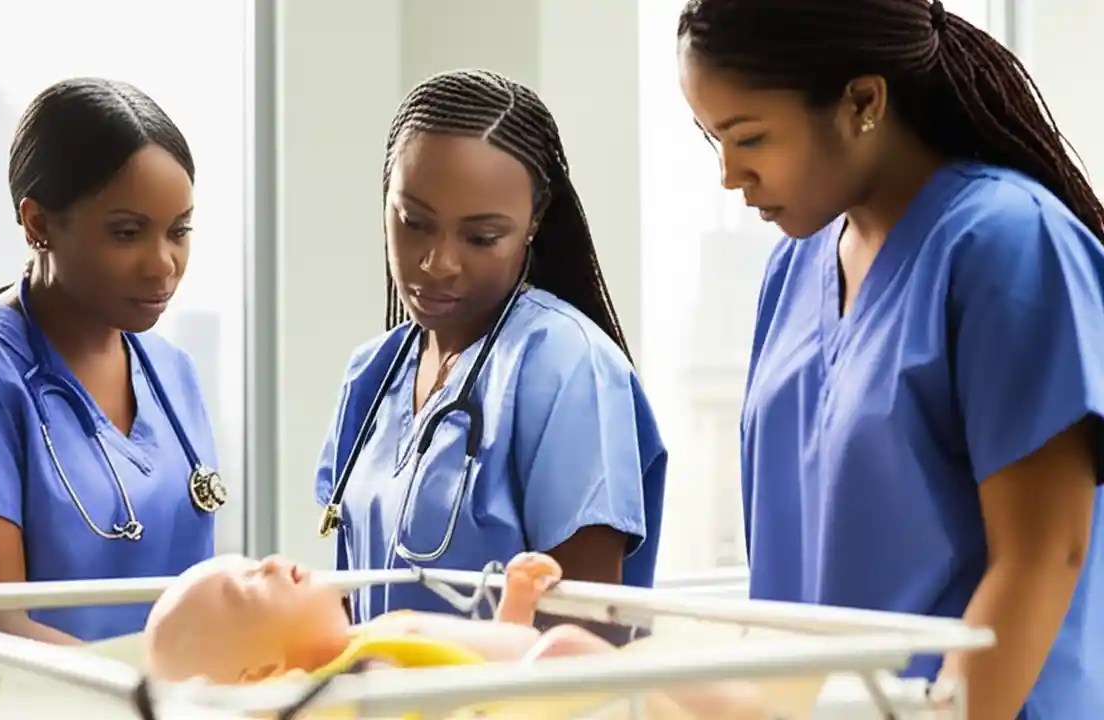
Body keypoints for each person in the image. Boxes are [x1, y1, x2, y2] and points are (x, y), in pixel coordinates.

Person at [676, 1, 1104, 718]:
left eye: (748, 136)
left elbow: (1043, 557)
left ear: (863, 102)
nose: (729, 175)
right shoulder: (790, 274)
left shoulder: (1007, 247)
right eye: (710, 138)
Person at [313, 69, 668, 625]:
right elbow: (349, 599)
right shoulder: (373, 373)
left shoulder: (567, 367)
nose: (437, 263)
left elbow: (583, 641)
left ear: (535, 220)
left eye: (481, 237)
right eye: (413, 222)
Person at [0, 77, 222, 646]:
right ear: (38, 223)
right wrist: (174, 694)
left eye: (179, 231)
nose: (163, 265)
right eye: (127, 232)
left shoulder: (172, 374)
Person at [143, 552, 775, 720]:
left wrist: (516, 609)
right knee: (573, 653)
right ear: (262, 679)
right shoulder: (334, 692)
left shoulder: (375, 635)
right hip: (549, 694)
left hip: (538, 691)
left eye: (256, 558)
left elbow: (479, 656)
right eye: (249, 585)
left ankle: (747, 707)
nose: (274, 564)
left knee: (577, 655)